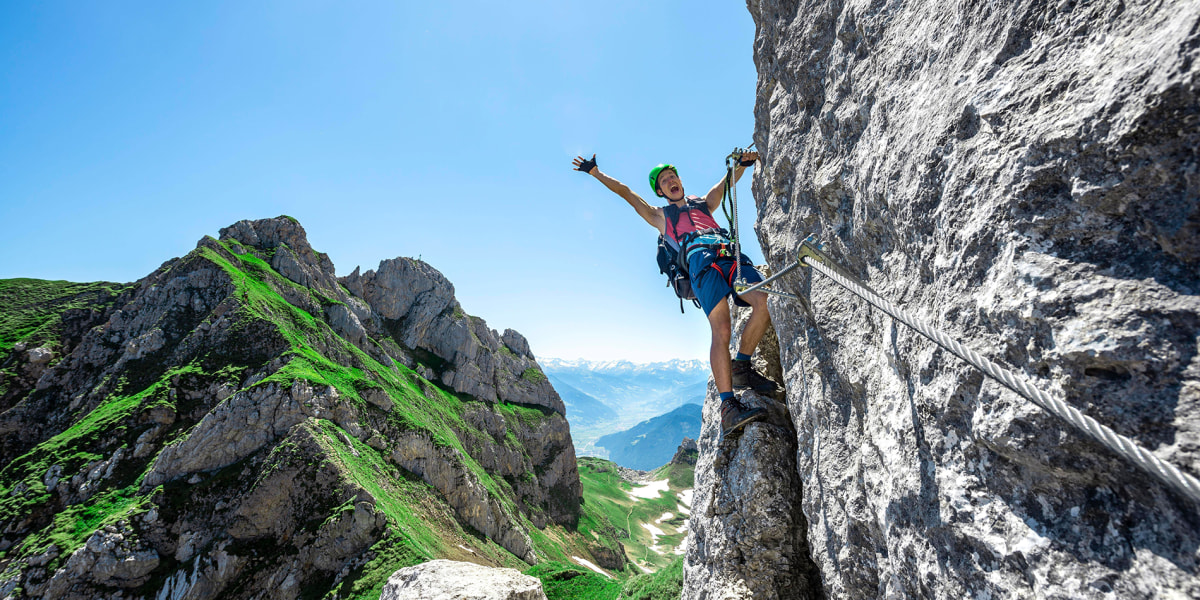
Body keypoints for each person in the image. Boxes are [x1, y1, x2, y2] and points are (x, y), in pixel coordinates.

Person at [572, 153, 779, 436]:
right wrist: (596, 172)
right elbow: (627, 193)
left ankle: (741, 365)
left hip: (729, 255)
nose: (671, 181)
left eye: (673, 177)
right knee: (721, 329)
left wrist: (741, 164)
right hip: (701, 263)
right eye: (664, 181)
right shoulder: (660, 217)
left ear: (680, 181)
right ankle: (728, 407)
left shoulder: (704, 204)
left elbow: (726, 183)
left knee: (765, 301)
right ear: (659, 190)